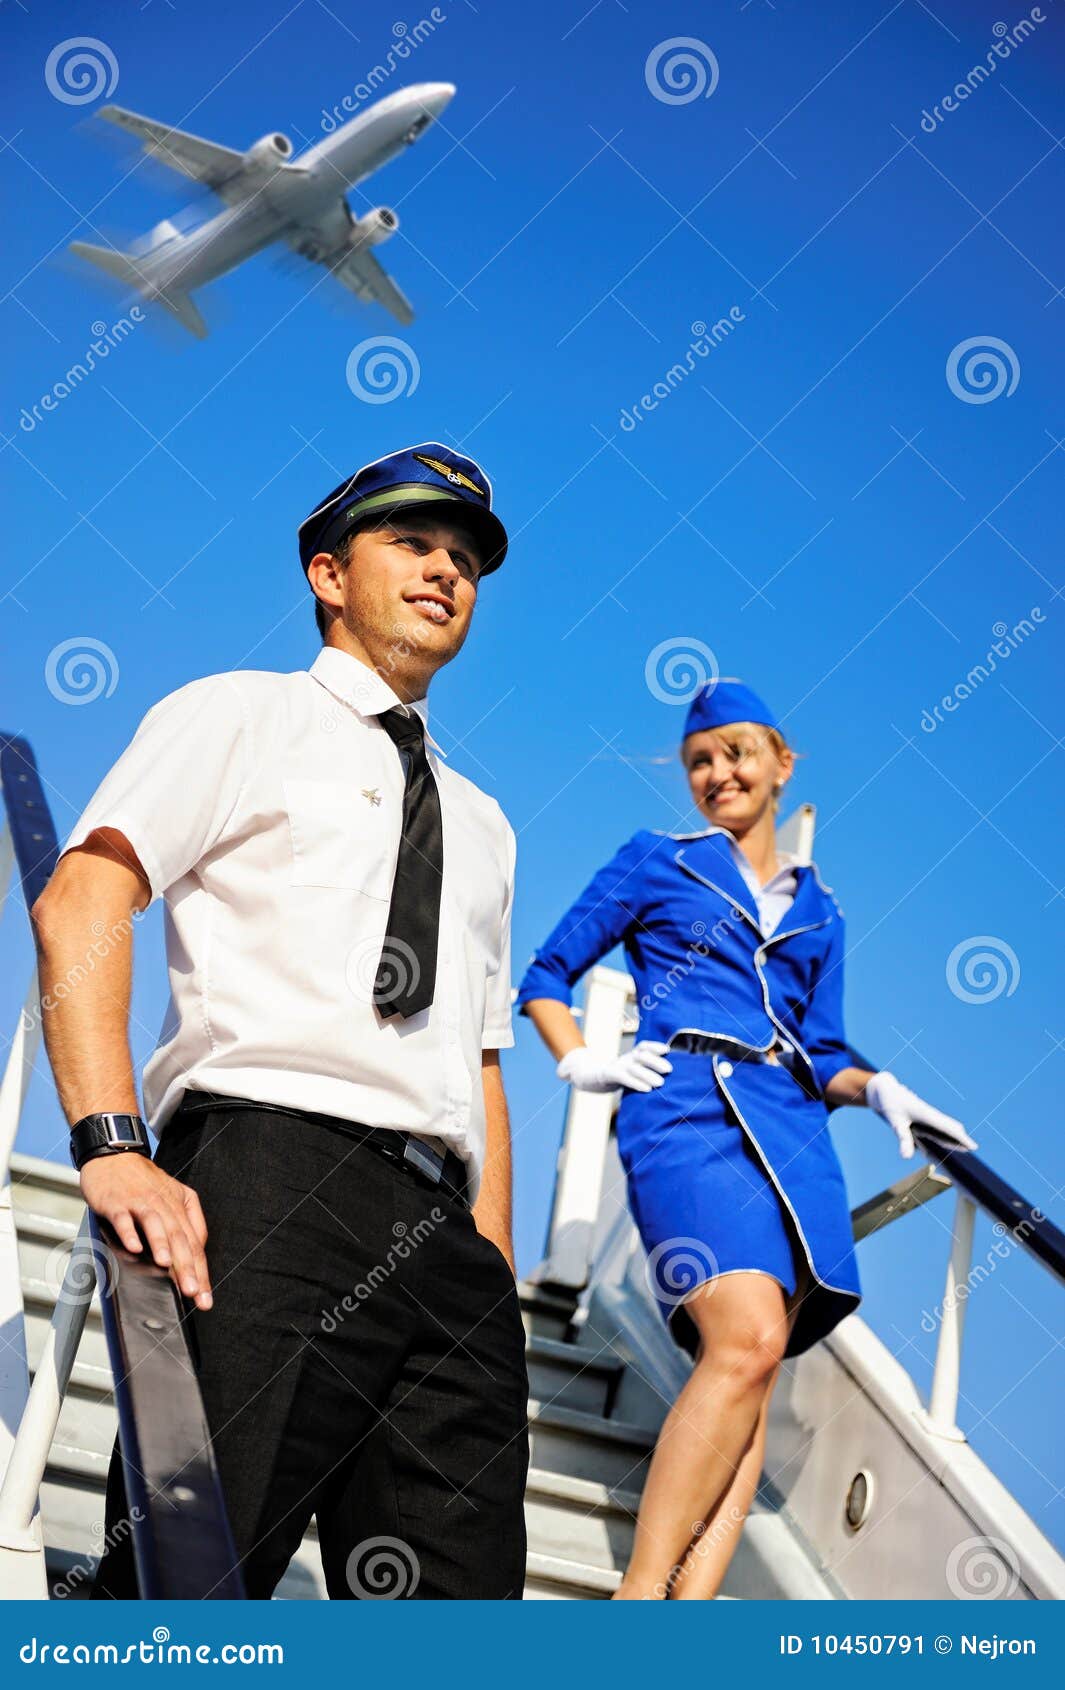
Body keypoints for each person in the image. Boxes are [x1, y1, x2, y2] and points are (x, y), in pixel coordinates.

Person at [31, 442, 530, 1600]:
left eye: (465, 559)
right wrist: (111, 1143)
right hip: (270, 1179)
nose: (445, 570)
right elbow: (83, 899)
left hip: (445, 1244)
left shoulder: (487, 822)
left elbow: (480, 1056)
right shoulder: (238, 714)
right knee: (189, 1587)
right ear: (328, 573)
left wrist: (492, 1272)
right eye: (412, 541)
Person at [517, 677, 975, 1600]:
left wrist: (881, 1090)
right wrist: (581, 1061)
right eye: (698, 761)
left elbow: (825, 1049)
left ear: (781, 763)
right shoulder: (657, 860)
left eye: (735, 753)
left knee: (754, 1377)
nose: (717, 772)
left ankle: (684, 1616)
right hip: (681, 1113)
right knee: (747, 1337)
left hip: (791, 1134)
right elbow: (546, 974)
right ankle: (639, 1600)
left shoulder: (822, 910)